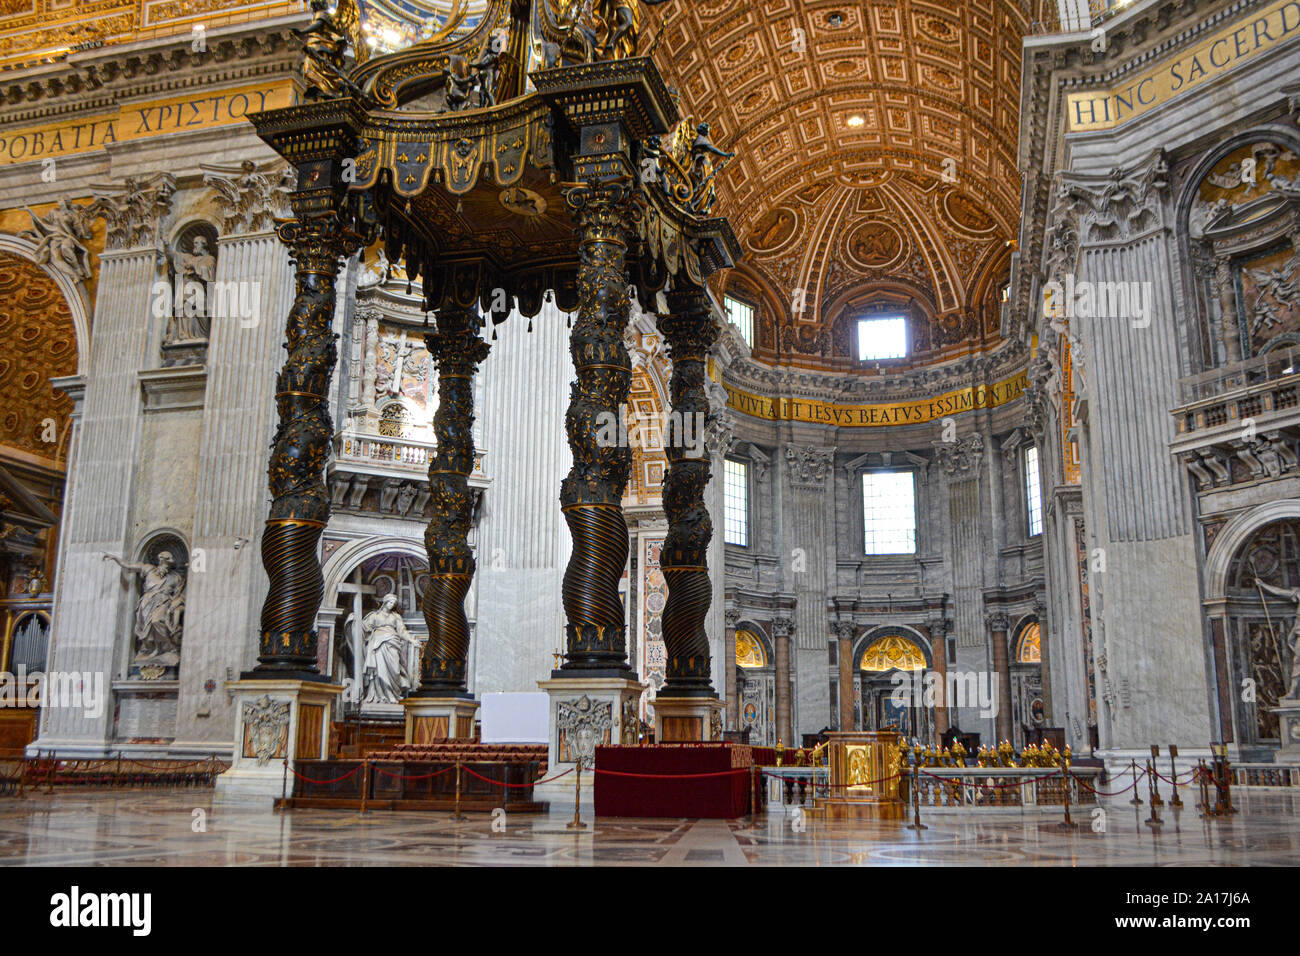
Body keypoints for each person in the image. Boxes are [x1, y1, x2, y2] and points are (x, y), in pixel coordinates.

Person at [361, 594, 422, 703]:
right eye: (390, 602)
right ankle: (382, 696)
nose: (391, 605)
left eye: (393, 603)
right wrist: (355, 621)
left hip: (392, 644)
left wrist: (412, 640)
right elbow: (364, 629)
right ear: (385, 602)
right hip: (378, 645)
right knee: (380, 672)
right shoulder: (374, 616)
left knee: (395, 670)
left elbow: (402, 631)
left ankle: (394, 693)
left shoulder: (396, 617)